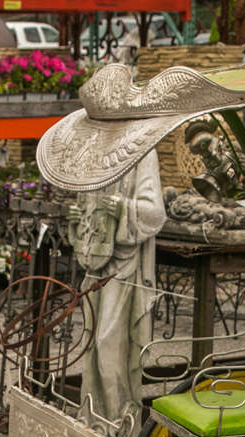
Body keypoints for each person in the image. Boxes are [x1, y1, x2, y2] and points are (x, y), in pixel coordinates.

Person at [68, 151, 166, 422]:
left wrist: (123, 207)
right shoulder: (94, 154)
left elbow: (155, 213)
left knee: (109, 347)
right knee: (91, 347)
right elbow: (86, 206)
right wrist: (77, 220)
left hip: (125, 267)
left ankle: (120, 423)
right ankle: (95, 418)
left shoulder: (142, 151)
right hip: (95, 263)